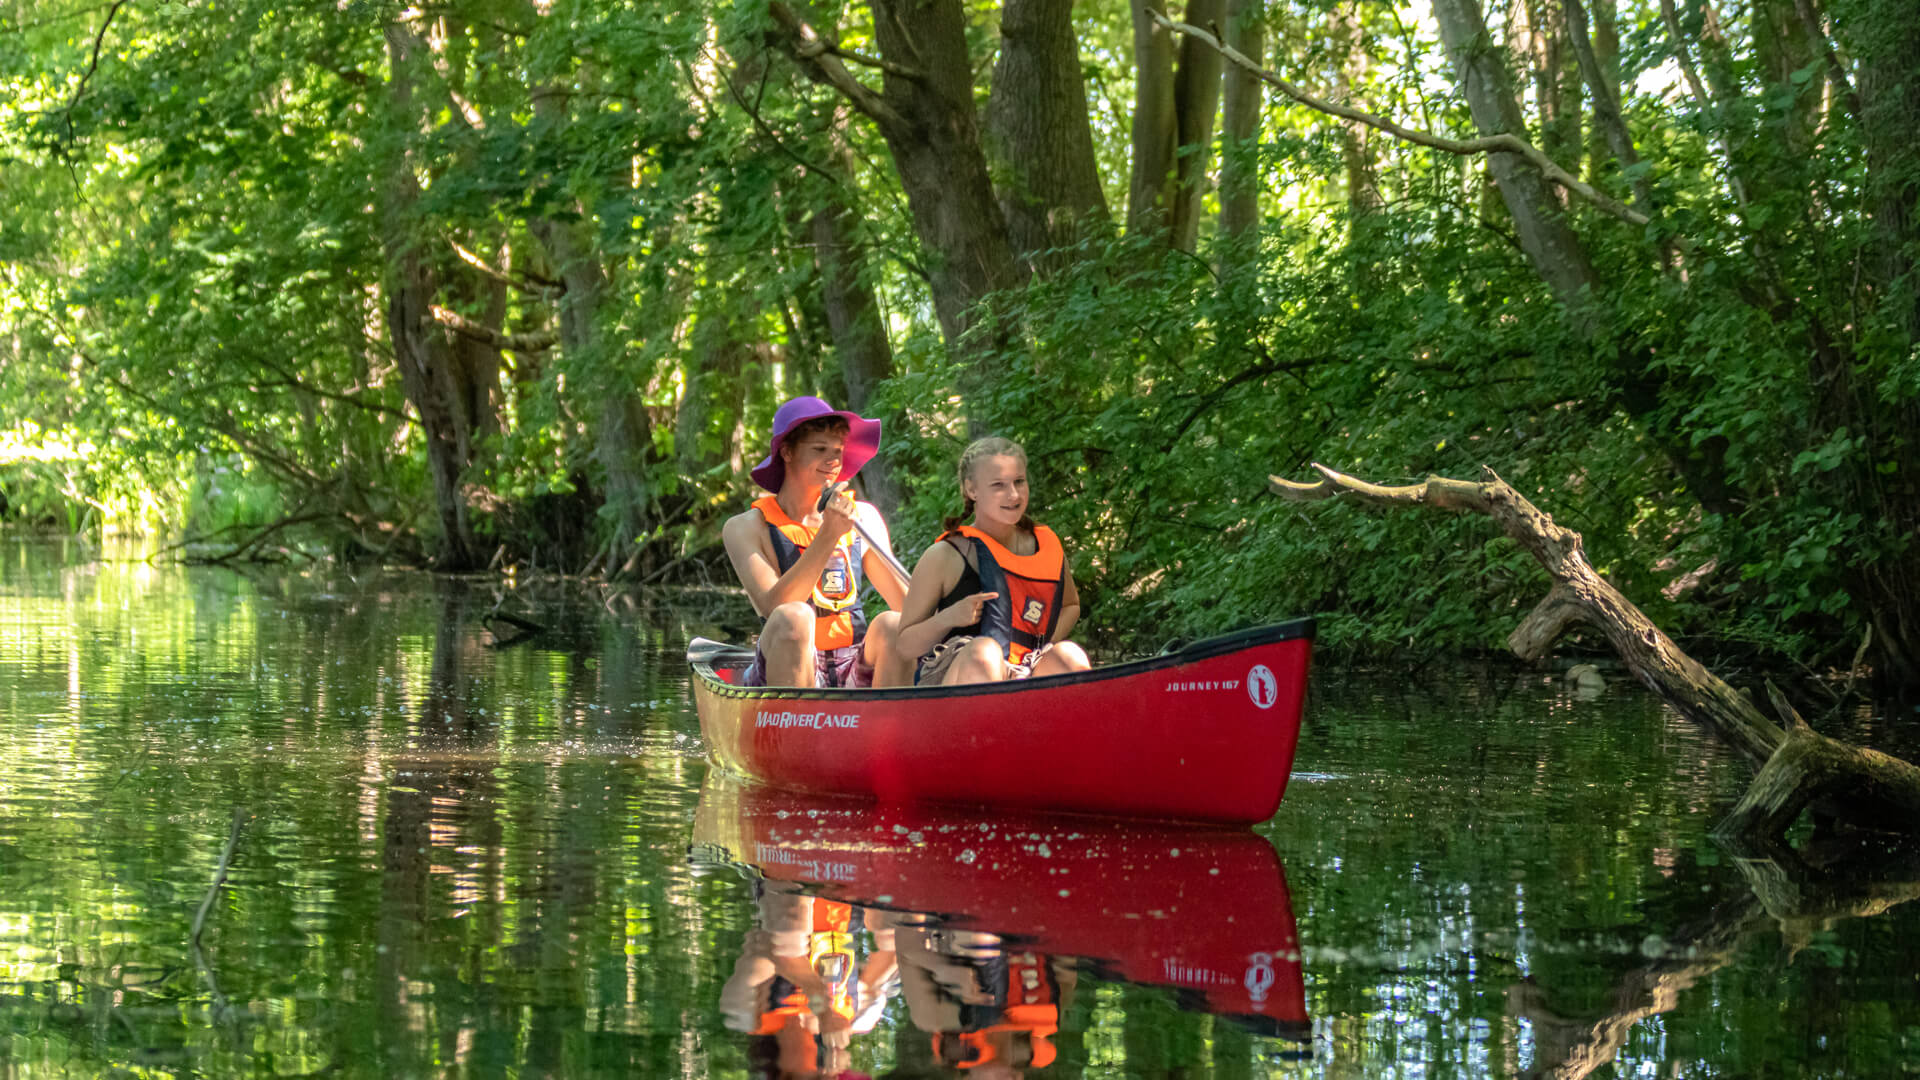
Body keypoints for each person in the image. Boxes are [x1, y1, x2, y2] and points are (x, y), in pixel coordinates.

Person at [722, 397, 909, 688]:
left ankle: (891, 716)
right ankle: (797, 715)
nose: (833, 461)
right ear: (787, 452)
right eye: (820, 450)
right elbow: (774, 608)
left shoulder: (863, 518)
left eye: (838, 451)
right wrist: (828, 535)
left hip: (853, 662)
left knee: (895, 625)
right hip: (787, 660)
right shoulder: (745, 527)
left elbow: (908, 608)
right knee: (793, 617)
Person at [894, 437, 1092, 686]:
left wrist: (1041, 647)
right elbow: (904, 646)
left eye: (1019, 481)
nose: (1013, 494)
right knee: (984, 653)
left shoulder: (1046, 545)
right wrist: (949, 617)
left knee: (1069, 656)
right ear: (972, 490)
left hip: (1024, 668)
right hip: (956, 675)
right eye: (998, 485)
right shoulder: (944, 555)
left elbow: (1070, 605)